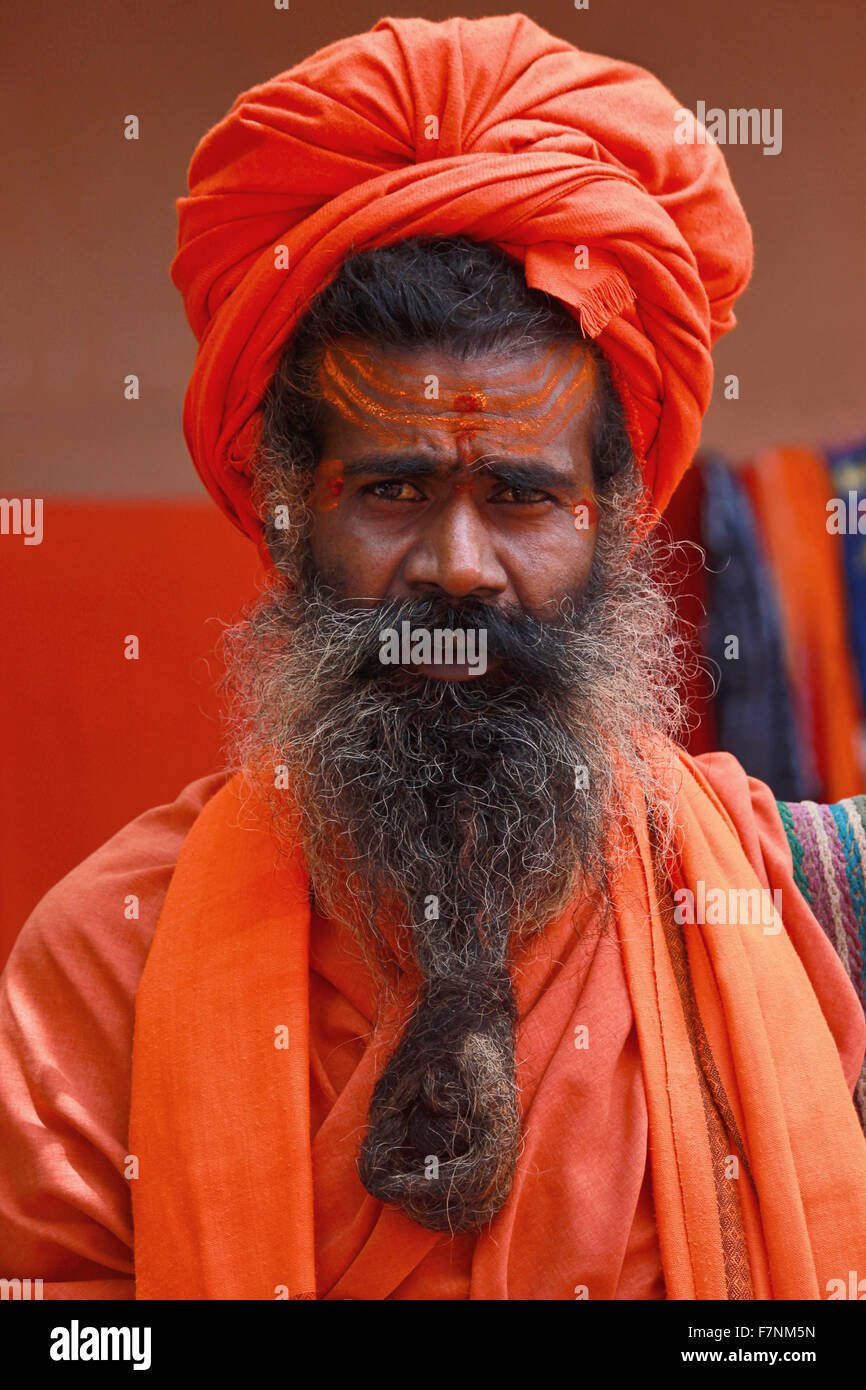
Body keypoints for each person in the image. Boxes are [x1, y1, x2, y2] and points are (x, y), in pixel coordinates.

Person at [1, 14, 864, 1302]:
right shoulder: (102, 967)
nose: (459, 567)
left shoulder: (808, 917)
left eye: (518, 496)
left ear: (612, 526)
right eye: (395, 491)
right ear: (291, 517)